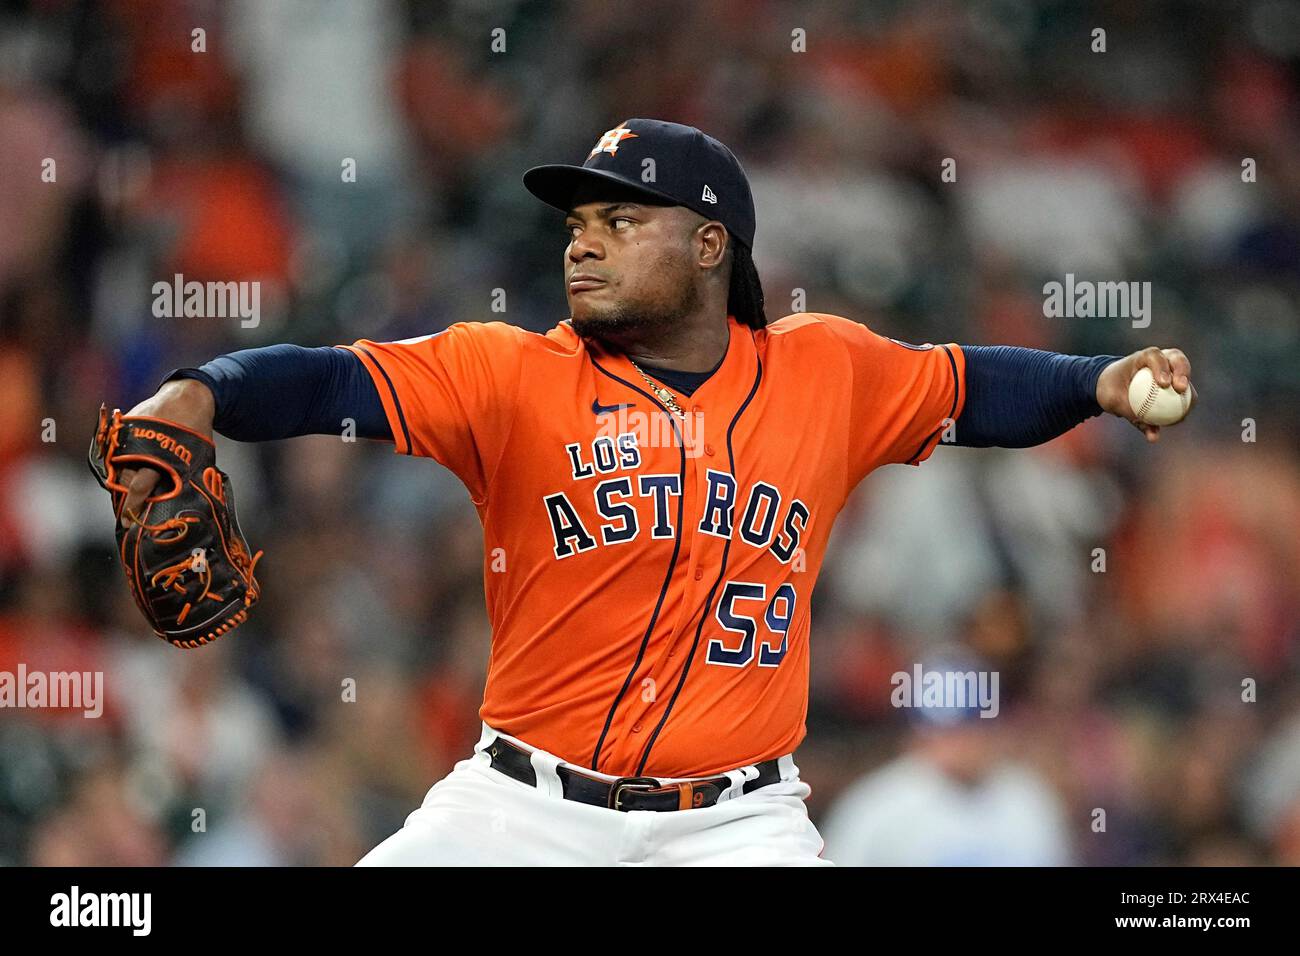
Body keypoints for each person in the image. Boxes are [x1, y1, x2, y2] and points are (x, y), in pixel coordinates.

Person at [108, 119, 1195, 866]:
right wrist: (203, 389)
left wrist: (1098, 383)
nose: (584, 240)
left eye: (622, 220)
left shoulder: (824, 369)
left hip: (737, 827)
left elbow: (972, 386)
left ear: (711, 243)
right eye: (579, 222)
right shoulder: (512, 373)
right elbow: (333, 376)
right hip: (522, 807)